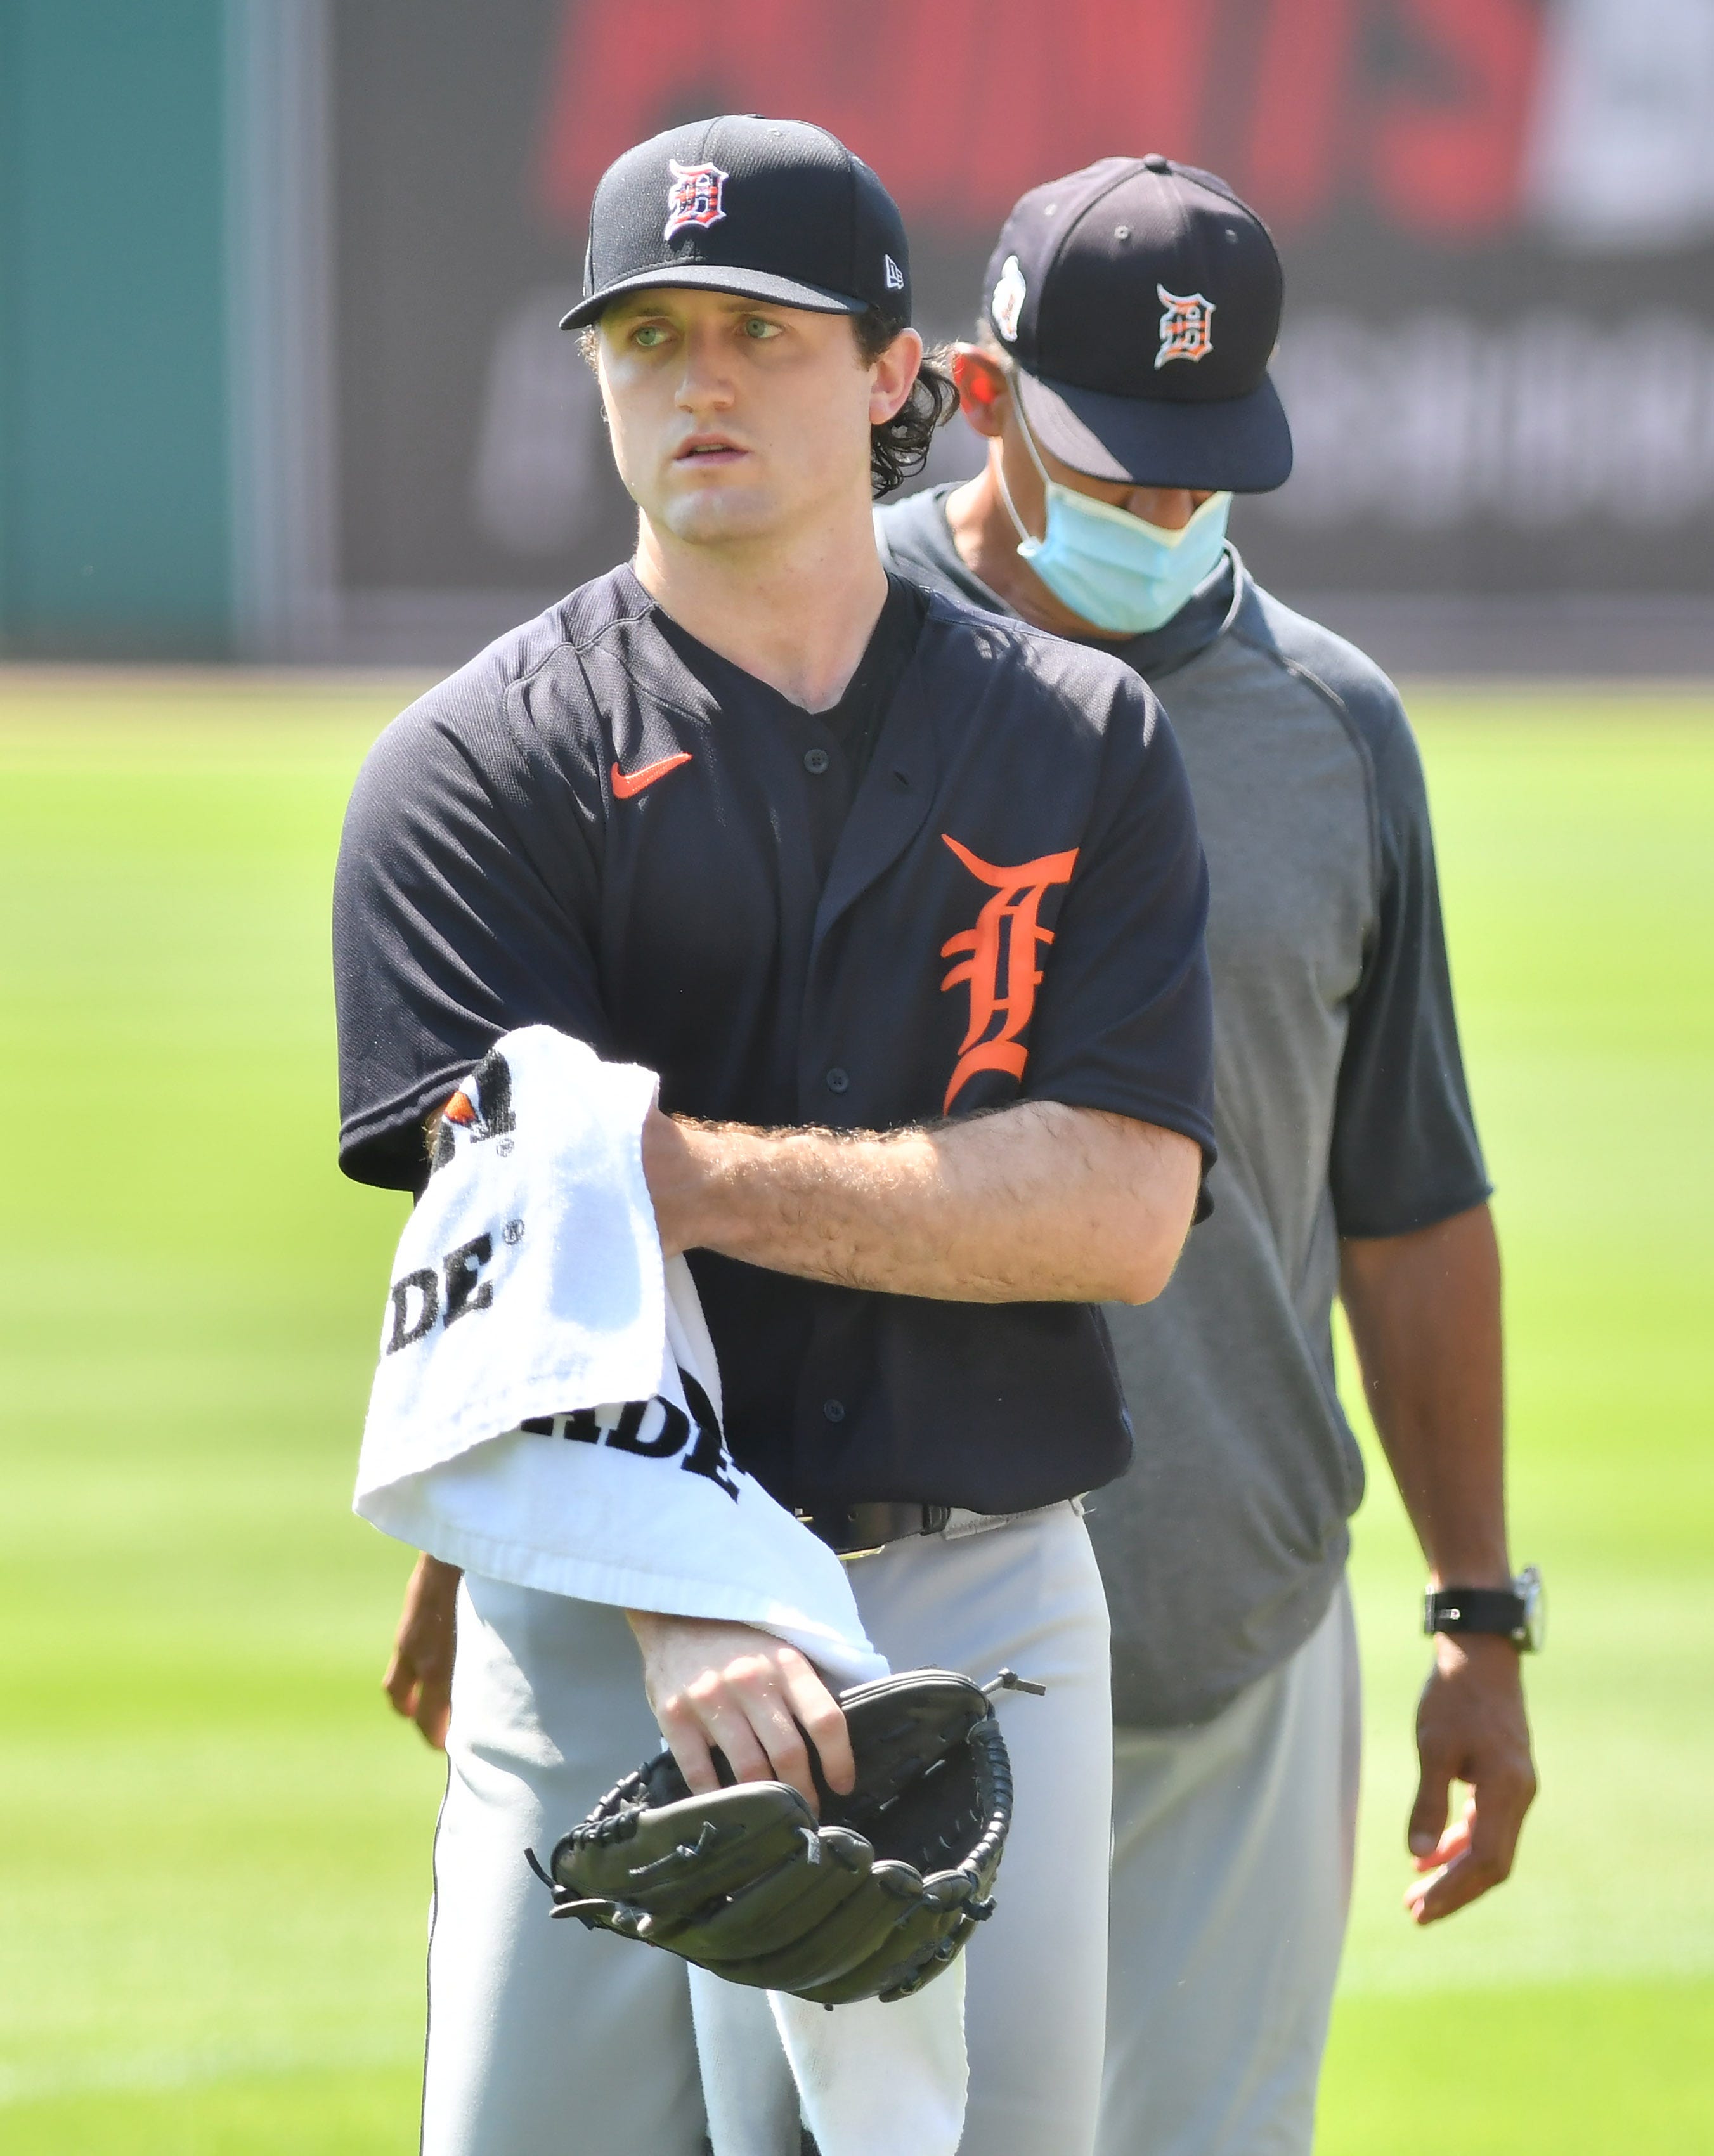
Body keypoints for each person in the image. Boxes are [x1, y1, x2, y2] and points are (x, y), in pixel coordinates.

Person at [337, 118, 1217, 2156]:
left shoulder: (1083, 745)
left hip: (977, 1606)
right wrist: (685, 1592)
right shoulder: (476, 768)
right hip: (596, 1619)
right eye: (647, 334)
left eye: (762, 331)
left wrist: (680, 1176)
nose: (699, 379)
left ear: (897, 375)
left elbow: (1115, 1207)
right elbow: (504, 1275)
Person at [875, 155, 1540, 2156]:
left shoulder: (1334, 725)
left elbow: (1411, 1199)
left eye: (1205, 460)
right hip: (862, 1645)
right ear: (981, 397)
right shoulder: (808, 651)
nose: (1172, 509)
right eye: (1122, 458)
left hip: (1226, 1642)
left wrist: (1477, 1618)